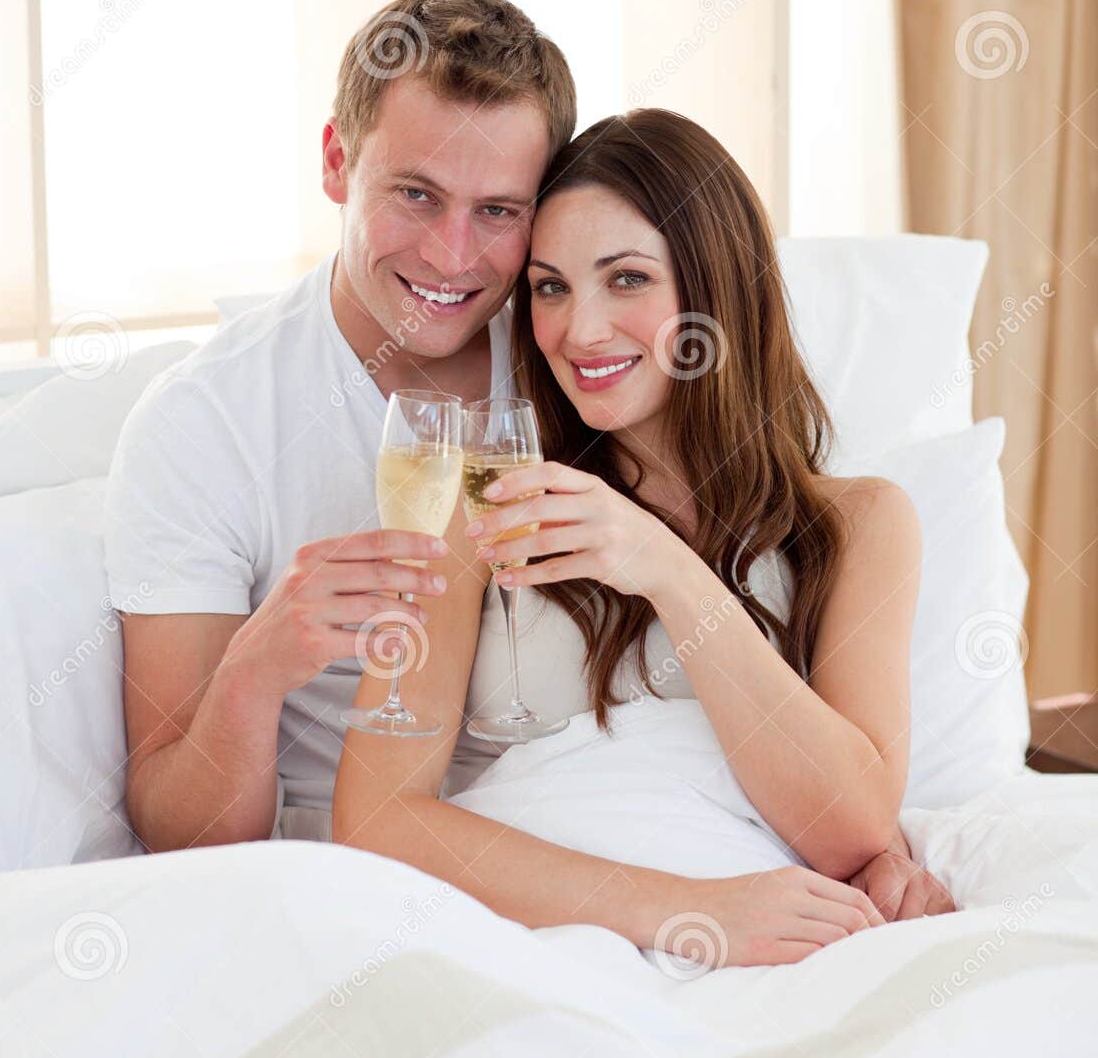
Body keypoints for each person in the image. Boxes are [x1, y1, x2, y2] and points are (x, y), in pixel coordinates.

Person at [333, 109, 955, 964]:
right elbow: (374, 820)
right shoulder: (480, 507)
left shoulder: (860, 524)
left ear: (715, 286)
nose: (579, 331)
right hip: (540, 945)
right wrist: (694, 916)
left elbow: (850, 827)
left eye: (625, 279)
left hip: (767, 957)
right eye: (550, 287)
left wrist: (666, 568)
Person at [104, 0, 575, 851]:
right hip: (356, 867)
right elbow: (180, 833)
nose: (452, 255)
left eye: (498, 211)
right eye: (416, 195)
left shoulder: (581, 359)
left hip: (588, 828)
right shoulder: (203, 425)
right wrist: (255, 668)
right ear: (336, 161)